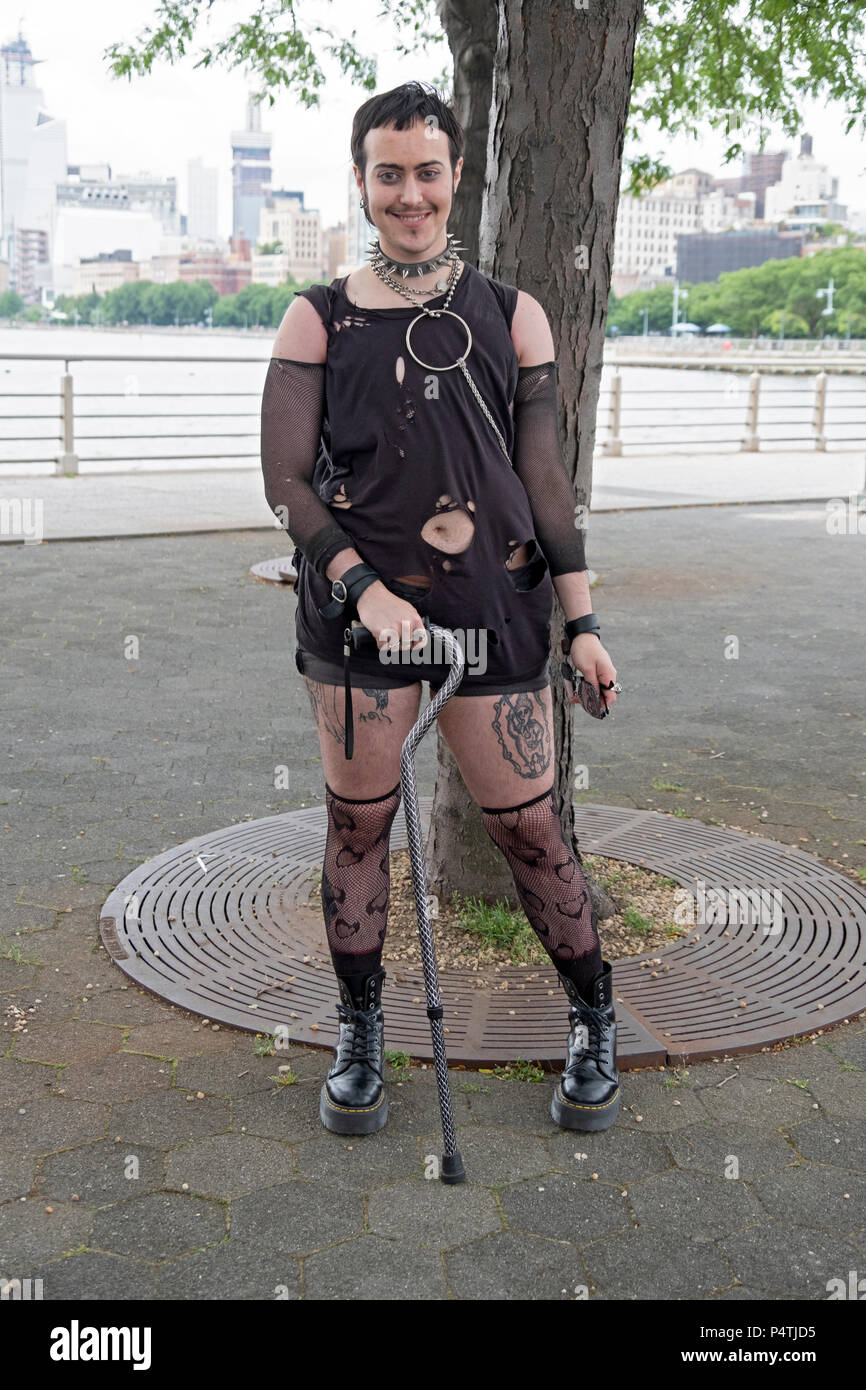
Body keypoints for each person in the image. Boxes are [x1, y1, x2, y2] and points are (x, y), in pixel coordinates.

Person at [260, 80, 622, 1139]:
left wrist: (583, 624)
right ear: (361, 180)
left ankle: (594, 1021)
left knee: (531, 830)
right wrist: (362, 588)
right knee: (358, 825)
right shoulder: (318, 316)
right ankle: (362, 1032)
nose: (409, 194)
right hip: (357, 621)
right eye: (389, 175)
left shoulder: (512, 313)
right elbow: (284, 483)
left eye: (427, 172)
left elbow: (543, 481)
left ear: (457, 175)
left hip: (493, 611)